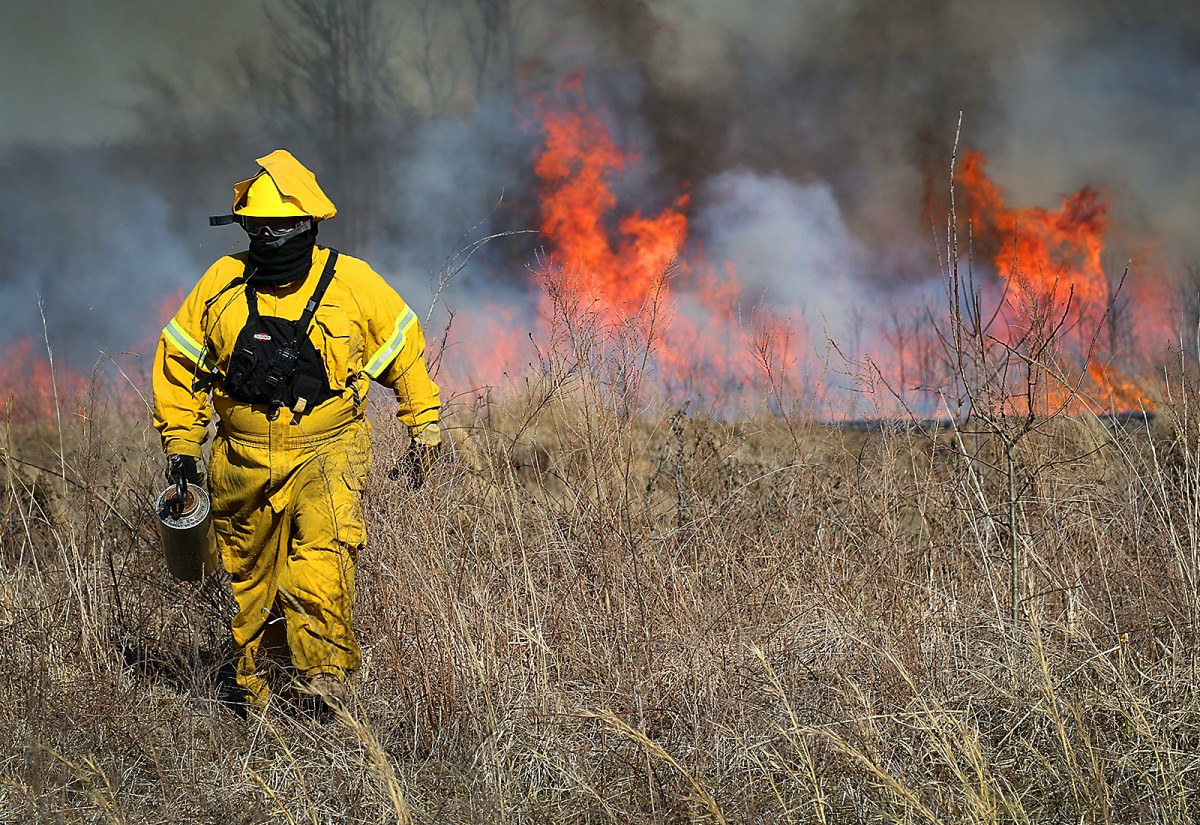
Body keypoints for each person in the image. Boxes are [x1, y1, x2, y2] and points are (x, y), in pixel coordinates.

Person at [153, 149, 442, 711]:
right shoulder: (222, 284)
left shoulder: (353, 283)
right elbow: (179, 364)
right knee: (249, 585)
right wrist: (183, 446)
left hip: (329, 448)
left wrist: (424, 424)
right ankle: (264, 702)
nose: (273, 238)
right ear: (244, 227)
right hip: (241, 458)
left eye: (284, 226)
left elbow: (404, 354)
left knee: (323, 557)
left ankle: (323, 687)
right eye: (260, 227)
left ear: (310, 223)